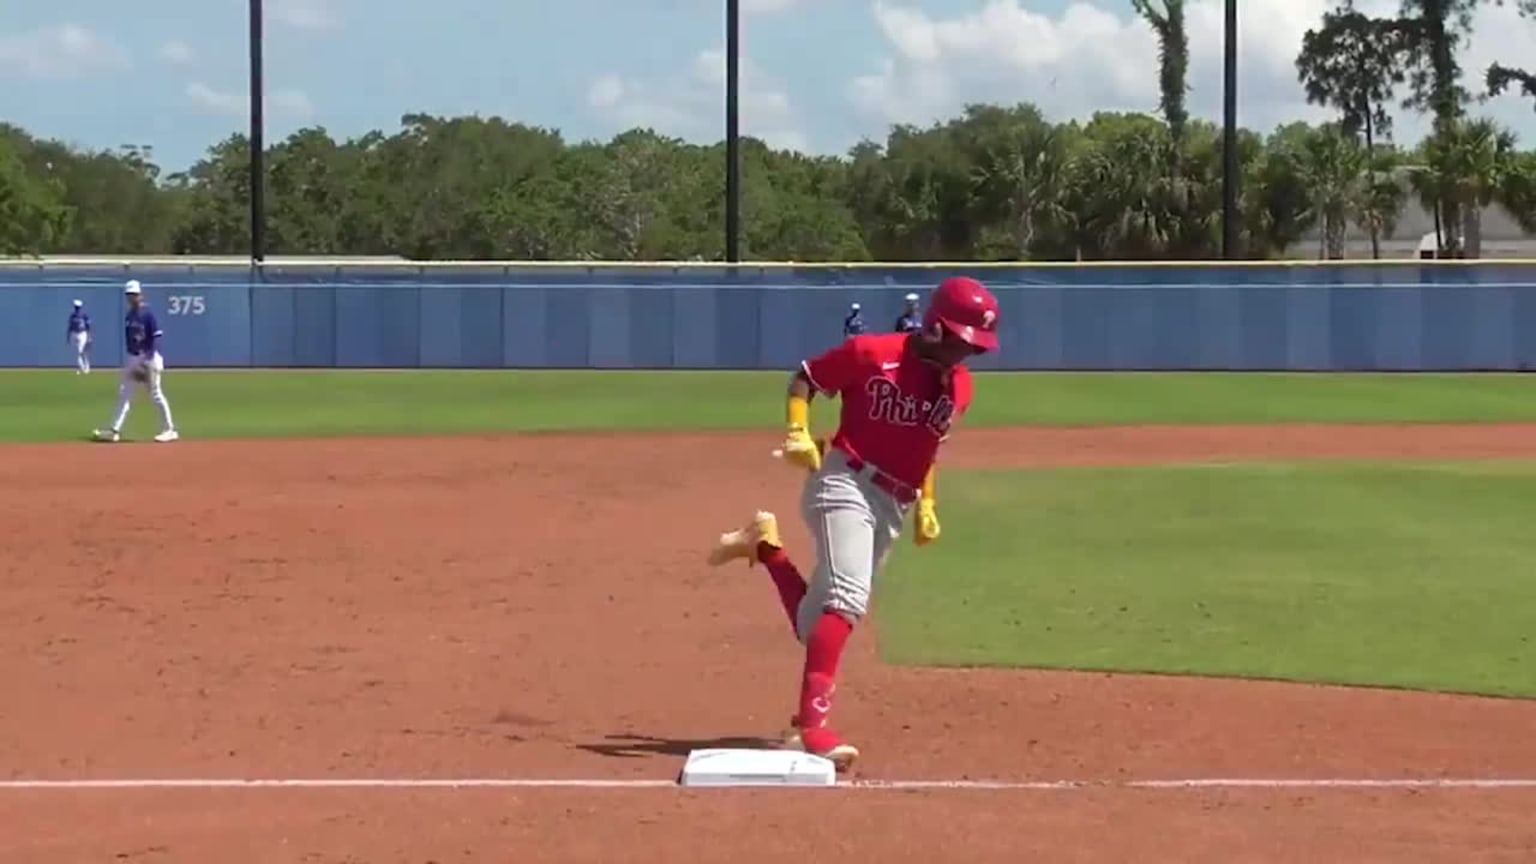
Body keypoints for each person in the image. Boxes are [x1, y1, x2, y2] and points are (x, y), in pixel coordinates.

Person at [706, 275, 1000, 771]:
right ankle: (811, 729)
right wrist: (798, 430)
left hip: (893, 505)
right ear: (935, 327)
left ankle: (765, 548)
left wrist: (928, 502)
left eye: (975, 347)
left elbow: (926, 449)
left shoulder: (961, 388)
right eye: (963, 342)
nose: (967, 354)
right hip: (845, 480)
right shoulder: (871, 353)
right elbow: (805, 377)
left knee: (815, 625)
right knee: (847, 601)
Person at [92, 280, 179, 443]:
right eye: (129, 295)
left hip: (149, 358)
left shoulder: (148, 314)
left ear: (140, 294)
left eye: (134, 294)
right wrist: (132, 362)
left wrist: (147, 360)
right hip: (134, 358)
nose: (131, 297)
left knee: (155, 394)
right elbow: (130, 340)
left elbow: (156, 337)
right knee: (125, 394)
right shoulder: (129, 315)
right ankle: (114, 430)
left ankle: (170, 429)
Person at [66, 299, 92, 374]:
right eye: (76, 307)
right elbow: (70, 327)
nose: (77, 309)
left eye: (78, 307)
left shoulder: (84, 315)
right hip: (75, 334)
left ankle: (84, 367)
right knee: (80, 351)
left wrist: (89, 336)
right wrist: (68, 336)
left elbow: (88, 326)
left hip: (83, 333)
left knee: (81, 351)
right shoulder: (72, 316)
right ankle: (82, 368)